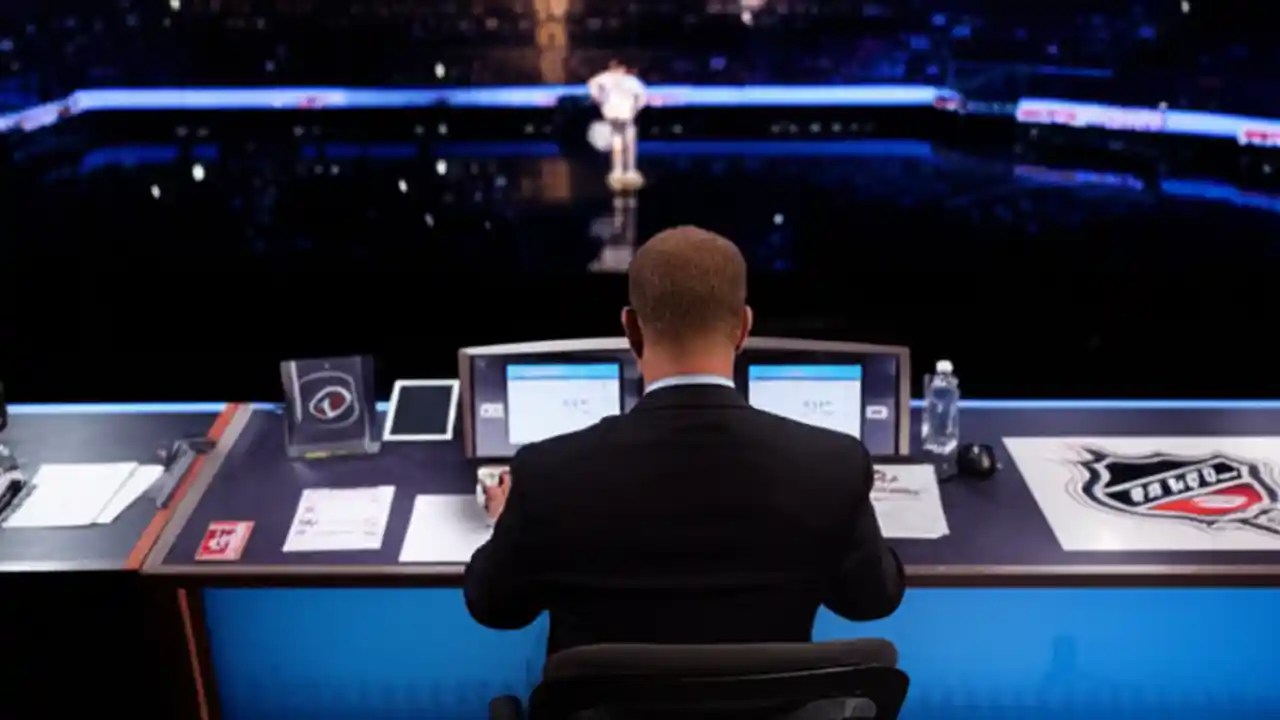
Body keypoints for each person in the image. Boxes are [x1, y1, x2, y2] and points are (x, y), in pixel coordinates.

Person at [465, 225, 905, 657]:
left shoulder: (547, 474)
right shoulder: (832, 468)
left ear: (631, 329)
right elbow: (871, 600)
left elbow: (496, 607)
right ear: (743, 327)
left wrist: (510, 519)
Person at [587, 59, 647, 191]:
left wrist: (636, 108)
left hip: (624, 116)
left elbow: (642, 96)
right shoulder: (605, 78)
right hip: (617, 116)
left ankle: (627, 170)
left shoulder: (629, 80)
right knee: (620, 145)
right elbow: (593, 86)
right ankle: (620, 171)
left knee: (626, 145)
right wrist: (599, 98)